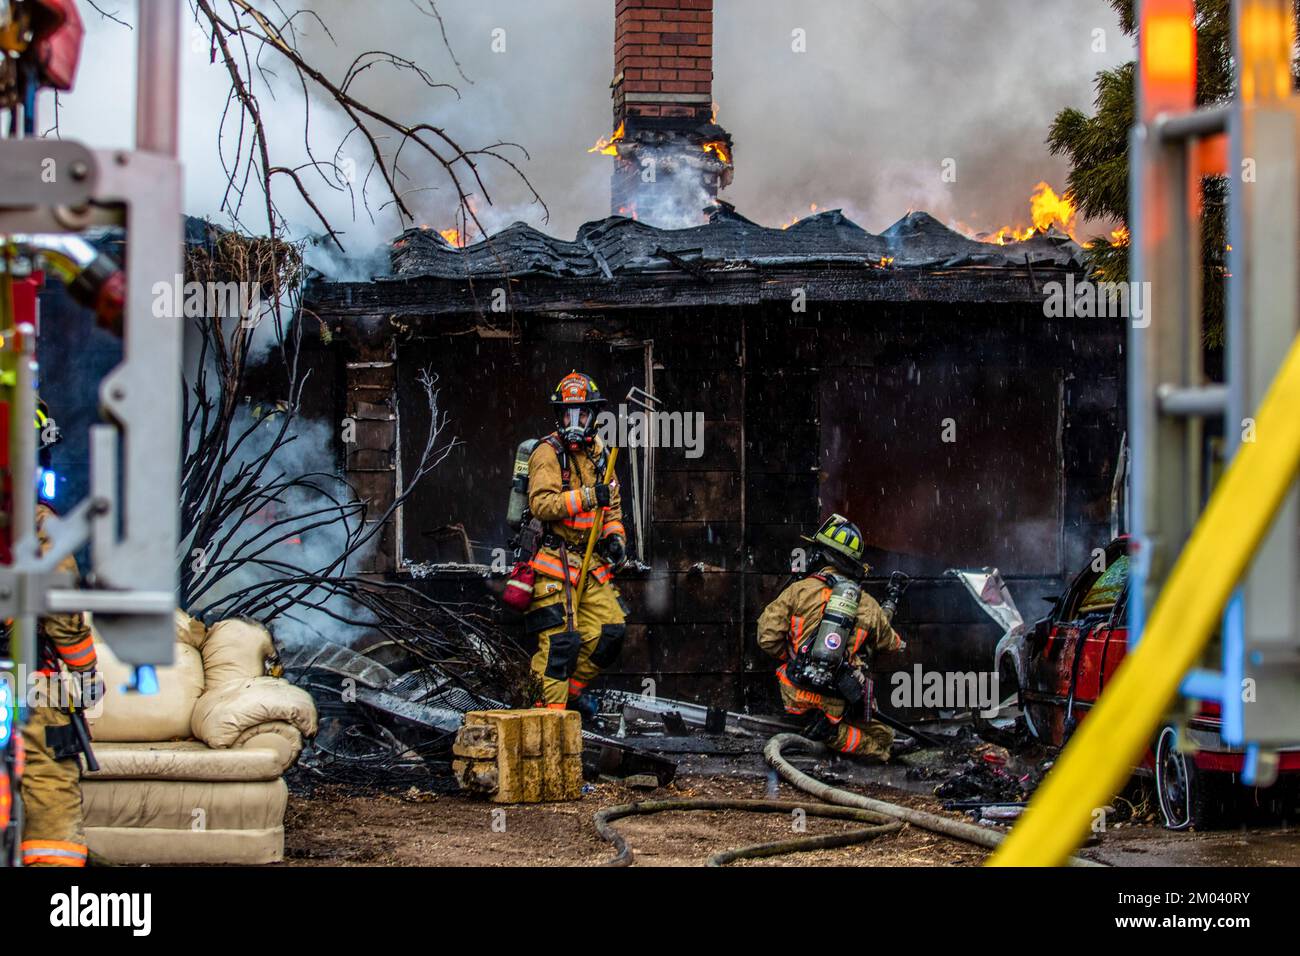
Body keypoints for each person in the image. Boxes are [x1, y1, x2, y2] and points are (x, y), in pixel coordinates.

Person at [13, 401, 97, 865]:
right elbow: (64, 620)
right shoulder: (41, 525)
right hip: (27, 681)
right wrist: (87, 677)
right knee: (49, 782)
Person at [757, 514, 907, 761]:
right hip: (838, 699)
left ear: (821, 554)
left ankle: (824, 729)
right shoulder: (867, 605)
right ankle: (867, 747)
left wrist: (799, 659)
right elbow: (891, 644)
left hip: (795, 693)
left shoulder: (798, 591)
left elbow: (766, 638)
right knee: (884, 739)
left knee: (882, 733)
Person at [523, 372, 628, 715]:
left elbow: (612, 507)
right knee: (559, 647)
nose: (573, 421)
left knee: (610, 632)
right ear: (558, 416)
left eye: (581, 413)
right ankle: (547, 721)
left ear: (593, 415)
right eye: (567, 413)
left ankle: (567, 699)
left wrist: (614, 537)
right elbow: (541, 504)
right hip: (554, 564)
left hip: (590, 564)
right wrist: (585, 497)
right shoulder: (547, 453)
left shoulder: (600, 455)